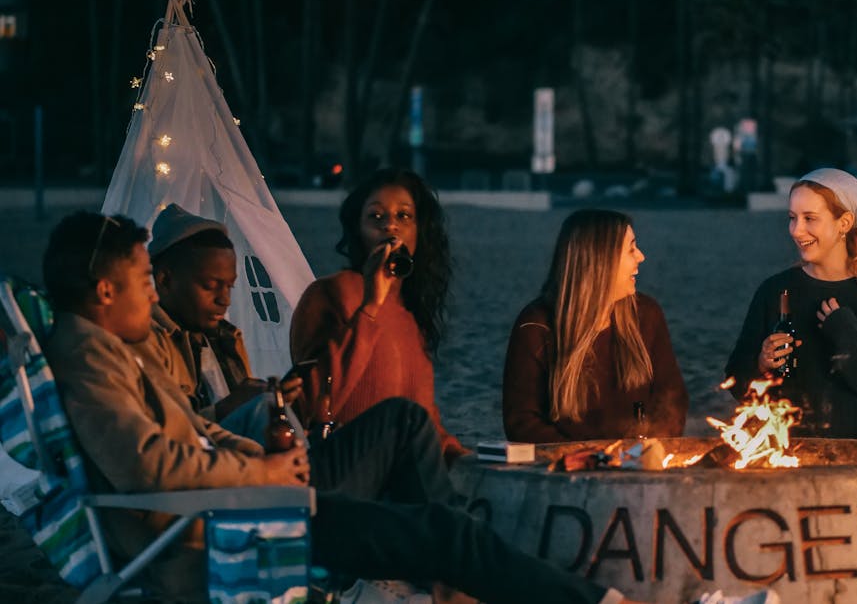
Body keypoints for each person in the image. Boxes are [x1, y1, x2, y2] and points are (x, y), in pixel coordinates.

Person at [39, 211, 638, 604]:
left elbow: (193, 433)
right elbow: (150, 468)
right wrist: (265, 474)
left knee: (432, 525)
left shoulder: (106, 349)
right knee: (438, 530)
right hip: (223, 535)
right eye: (145, 277)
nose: (152, 289)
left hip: (247, 504)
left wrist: (267, 458)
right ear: (105, 291)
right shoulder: (92, 361)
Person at [291, 169, 467, 460]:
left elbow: (425, 419)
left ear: (419, 230)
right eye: (376, 217)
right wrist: (370, 307)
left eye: (404, 216)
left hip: (401, 463)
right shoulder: (331, 293)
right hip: (344, 461)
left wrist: (460, 455)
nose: (391, 227)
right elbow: (313, 404)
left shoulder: (409, 314)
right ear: (357, 230)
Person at [724, 168, 857, 439]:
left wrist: (845, 331)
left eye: (810, 218)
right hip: (784, 456)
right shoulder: (775, 290)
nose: (797, 230)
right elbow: (737, 382)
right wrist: (761, 363)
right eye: (792, 218)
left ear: (844, 223)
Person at [503, 209, 688, 443]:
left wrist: (649, 446)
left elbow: (672, 398)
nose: (641, 256)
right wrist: (590, 457)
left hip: (636, 459)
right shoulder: (536, 326)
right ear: (601, 260)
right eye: (631, 248)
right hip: (568, 467)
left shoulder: (646, 315)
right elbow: (522, 422)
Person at [139, 203, 294, 444]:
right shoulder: (148, 341)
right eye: (210, 286)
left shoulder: (225, 338)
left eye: (229, 286)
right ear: (165, 280)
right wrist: (229, 407)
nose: (225, 299)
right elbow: (163, 433)